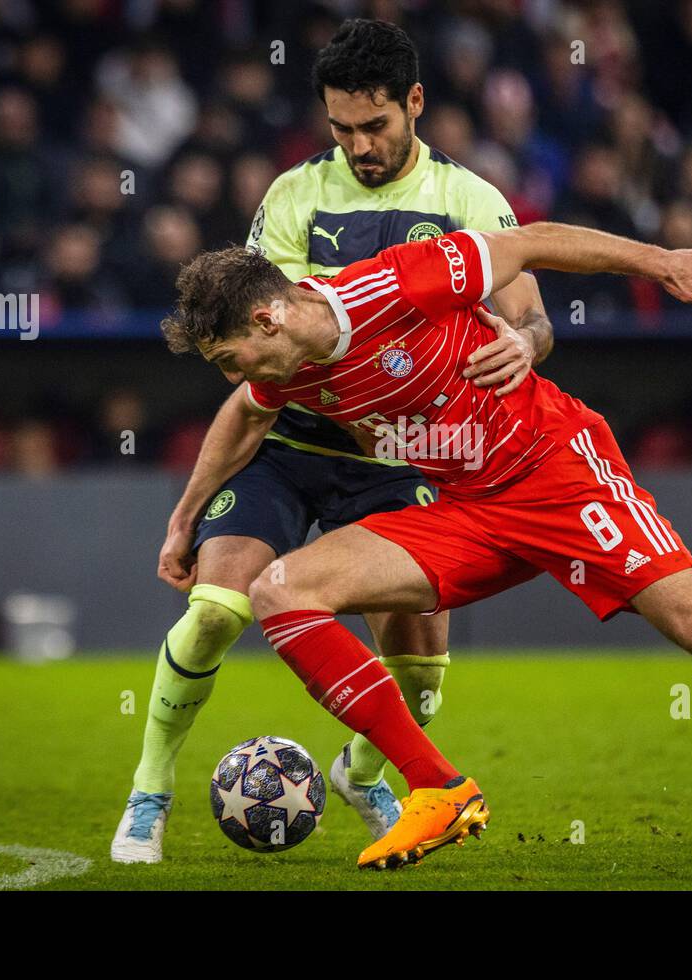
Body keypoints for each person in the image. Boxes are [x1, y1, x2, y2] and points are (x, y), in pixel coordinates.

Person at [160, 220, 692, 871]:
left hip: (560, 475)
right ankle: (440, 787)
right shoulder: (283, 362)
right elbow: (244, 415)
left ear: (272, 318)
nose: (236, 375)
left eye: (234, 355)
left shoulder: (392, 283)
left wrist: (662, 263)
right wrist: (186, 518)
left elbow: (530, 241)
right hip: (469, 504)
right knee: (280, 590)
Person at [112, 19, 552, 863]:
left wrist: (521, 346)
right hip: (293, 444)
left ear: (415, 103)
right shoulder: (292, 198)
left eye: (375, 126)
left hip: (406, 462)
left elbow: (534, 318)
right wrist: (185, 517)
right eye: (342, 128)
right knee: (215, 609)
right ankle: (149, 790)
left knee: (421, 673)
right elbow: (258, 372)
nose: (359, 145)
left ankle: (360, 772)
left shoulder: (469, 201)